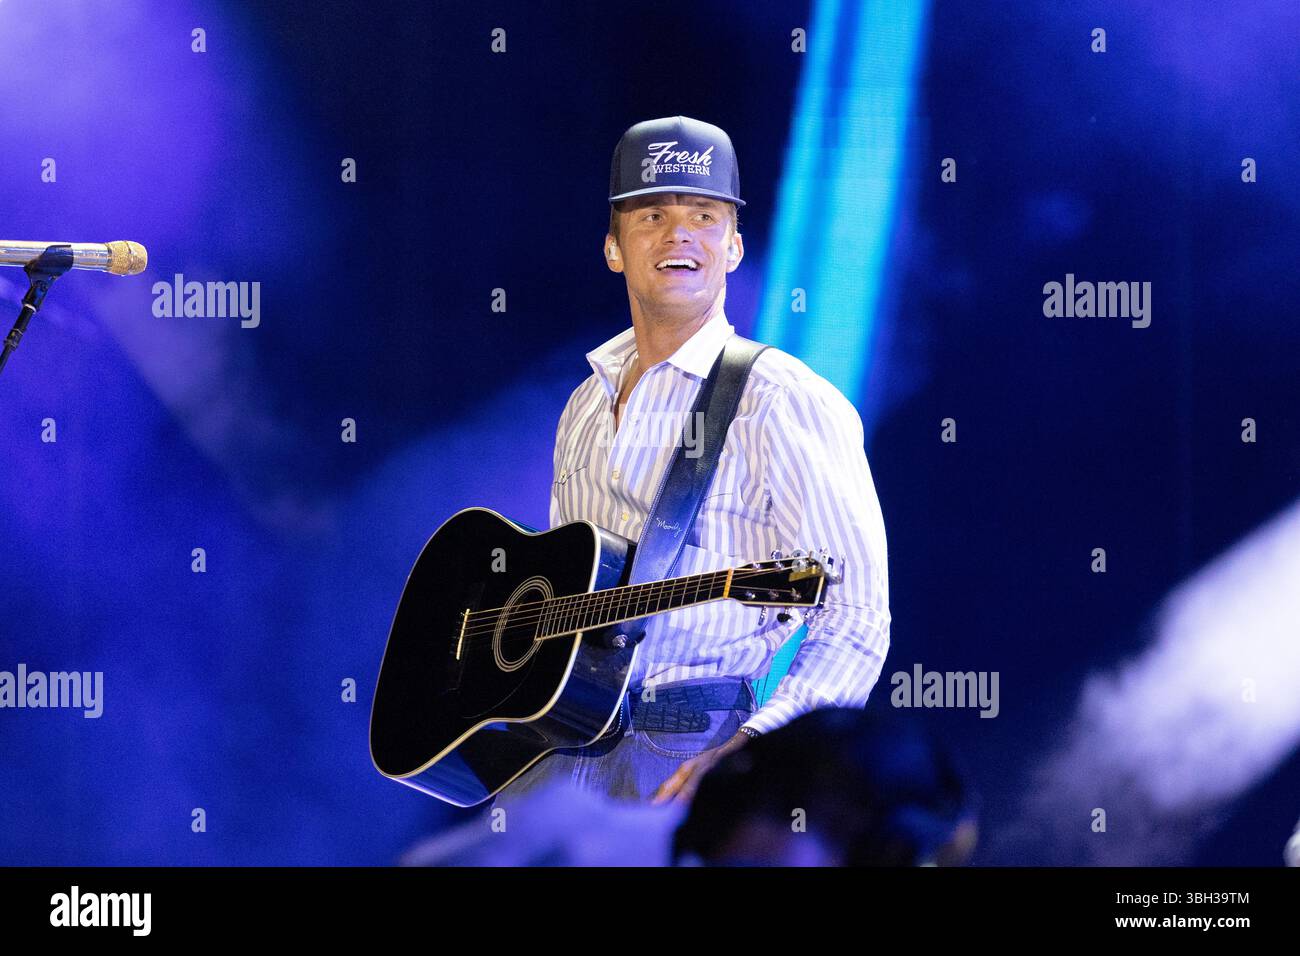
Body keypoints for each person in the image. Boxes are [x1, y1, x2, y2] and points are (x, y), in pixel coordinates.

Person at [491, 115, 891, 815]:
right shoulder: (583, 404)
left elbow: (854, 616)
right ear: (614, 247)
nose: (679, 234)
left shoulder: (785, 401)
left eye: (704, 215)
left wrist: (757, 752)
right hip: (563, 749)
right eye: (652, 214)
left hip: (689, 750)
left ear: (733, 246)